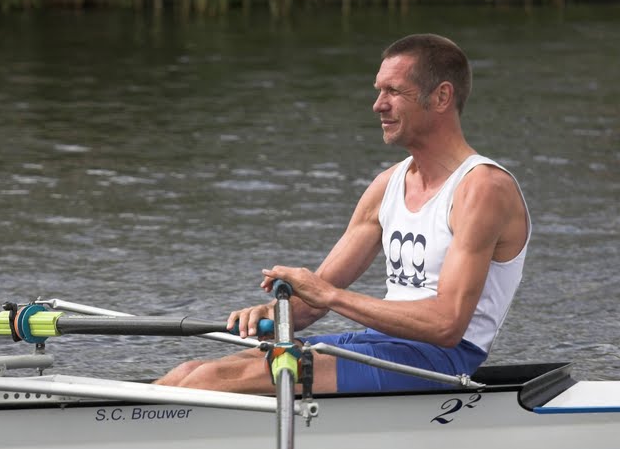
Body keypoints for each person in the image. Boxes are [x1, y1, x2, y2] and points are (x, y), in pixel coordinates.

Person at [156, 33, 528, 395]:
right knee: (189, 372)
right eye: (379, 91)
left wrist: (330, 295)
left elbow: (447, 325)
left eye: (393, 91)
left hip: (441, 359)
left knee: (211, 381)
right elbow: (310, 306)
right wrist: (270, 313)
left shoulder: (483, 188)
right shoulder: (387, 185)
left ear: (441, 96)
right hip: (381, 343)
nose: (378, 105)